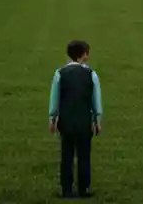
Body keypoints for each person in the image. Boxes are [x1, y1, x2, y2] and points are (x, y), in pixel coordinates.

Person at [48, 39, 103, 198]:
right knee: (84, 156)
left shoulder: (60, 73)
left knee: (66, 155)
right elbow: (95, 101)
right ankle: (84, 189)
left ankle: (66, 189)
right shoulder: (91, 74)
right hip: (84, 121)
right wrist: (97, 121)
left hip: (65, 122)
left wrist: (52, 119)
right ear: (84, 55)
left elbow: (55, 99)